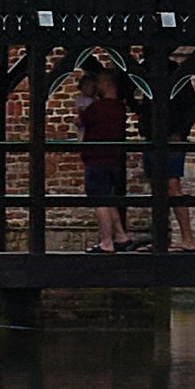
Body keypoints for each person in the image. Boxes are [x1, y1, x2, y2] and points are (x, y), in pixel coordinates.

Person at [76, 55, 130, 250]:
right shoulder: (120, 108)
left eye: (99, 83)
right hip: (113, 160)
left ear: (106, 85)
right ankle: (121, 236)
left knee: (99, 199)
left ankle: (107, 241)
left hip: (97, 159)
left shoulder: (97, 108)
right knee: (108, 198)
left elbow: (80, 120)